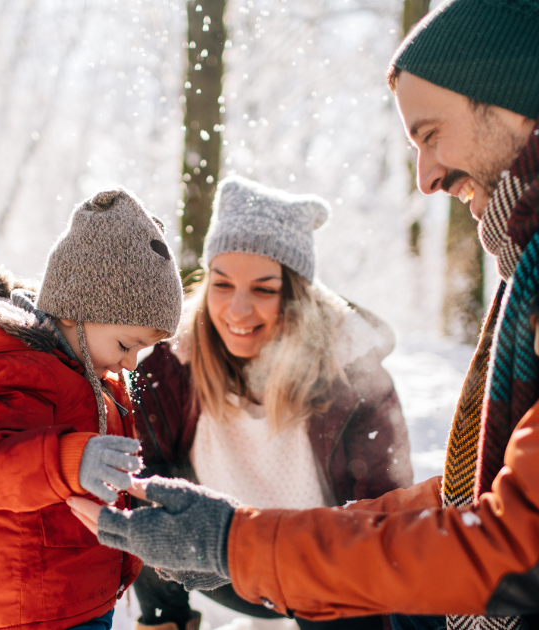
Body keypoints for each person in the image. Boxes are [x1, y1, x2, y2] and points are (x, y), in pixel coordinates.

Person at [69, 1, 539, 629]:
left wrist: (240, 542)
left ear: (513, 102)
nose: (427, 177)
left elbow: (527, 539)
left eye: (431, 134)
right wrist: (243, 539)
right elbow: (499, 493)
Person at [129, 176, 412, 630]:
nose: (237, 310)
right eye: (222, 284)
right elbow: (139, 472)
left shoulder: (353, 373)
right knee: (146, 510)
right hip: (219, 562)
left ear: (297, 296)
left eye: (263, 289)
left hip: (321, 572)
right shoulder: (172, 363)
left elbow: (386, 519)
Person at [0, 188, 184, 630]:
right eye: (126, 345)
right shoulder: (14, 371)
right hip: (18, 610)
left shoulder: (92, 373)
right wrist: (68, 460)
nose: (130, 363)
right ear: (75, 311)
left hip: (73, 596)